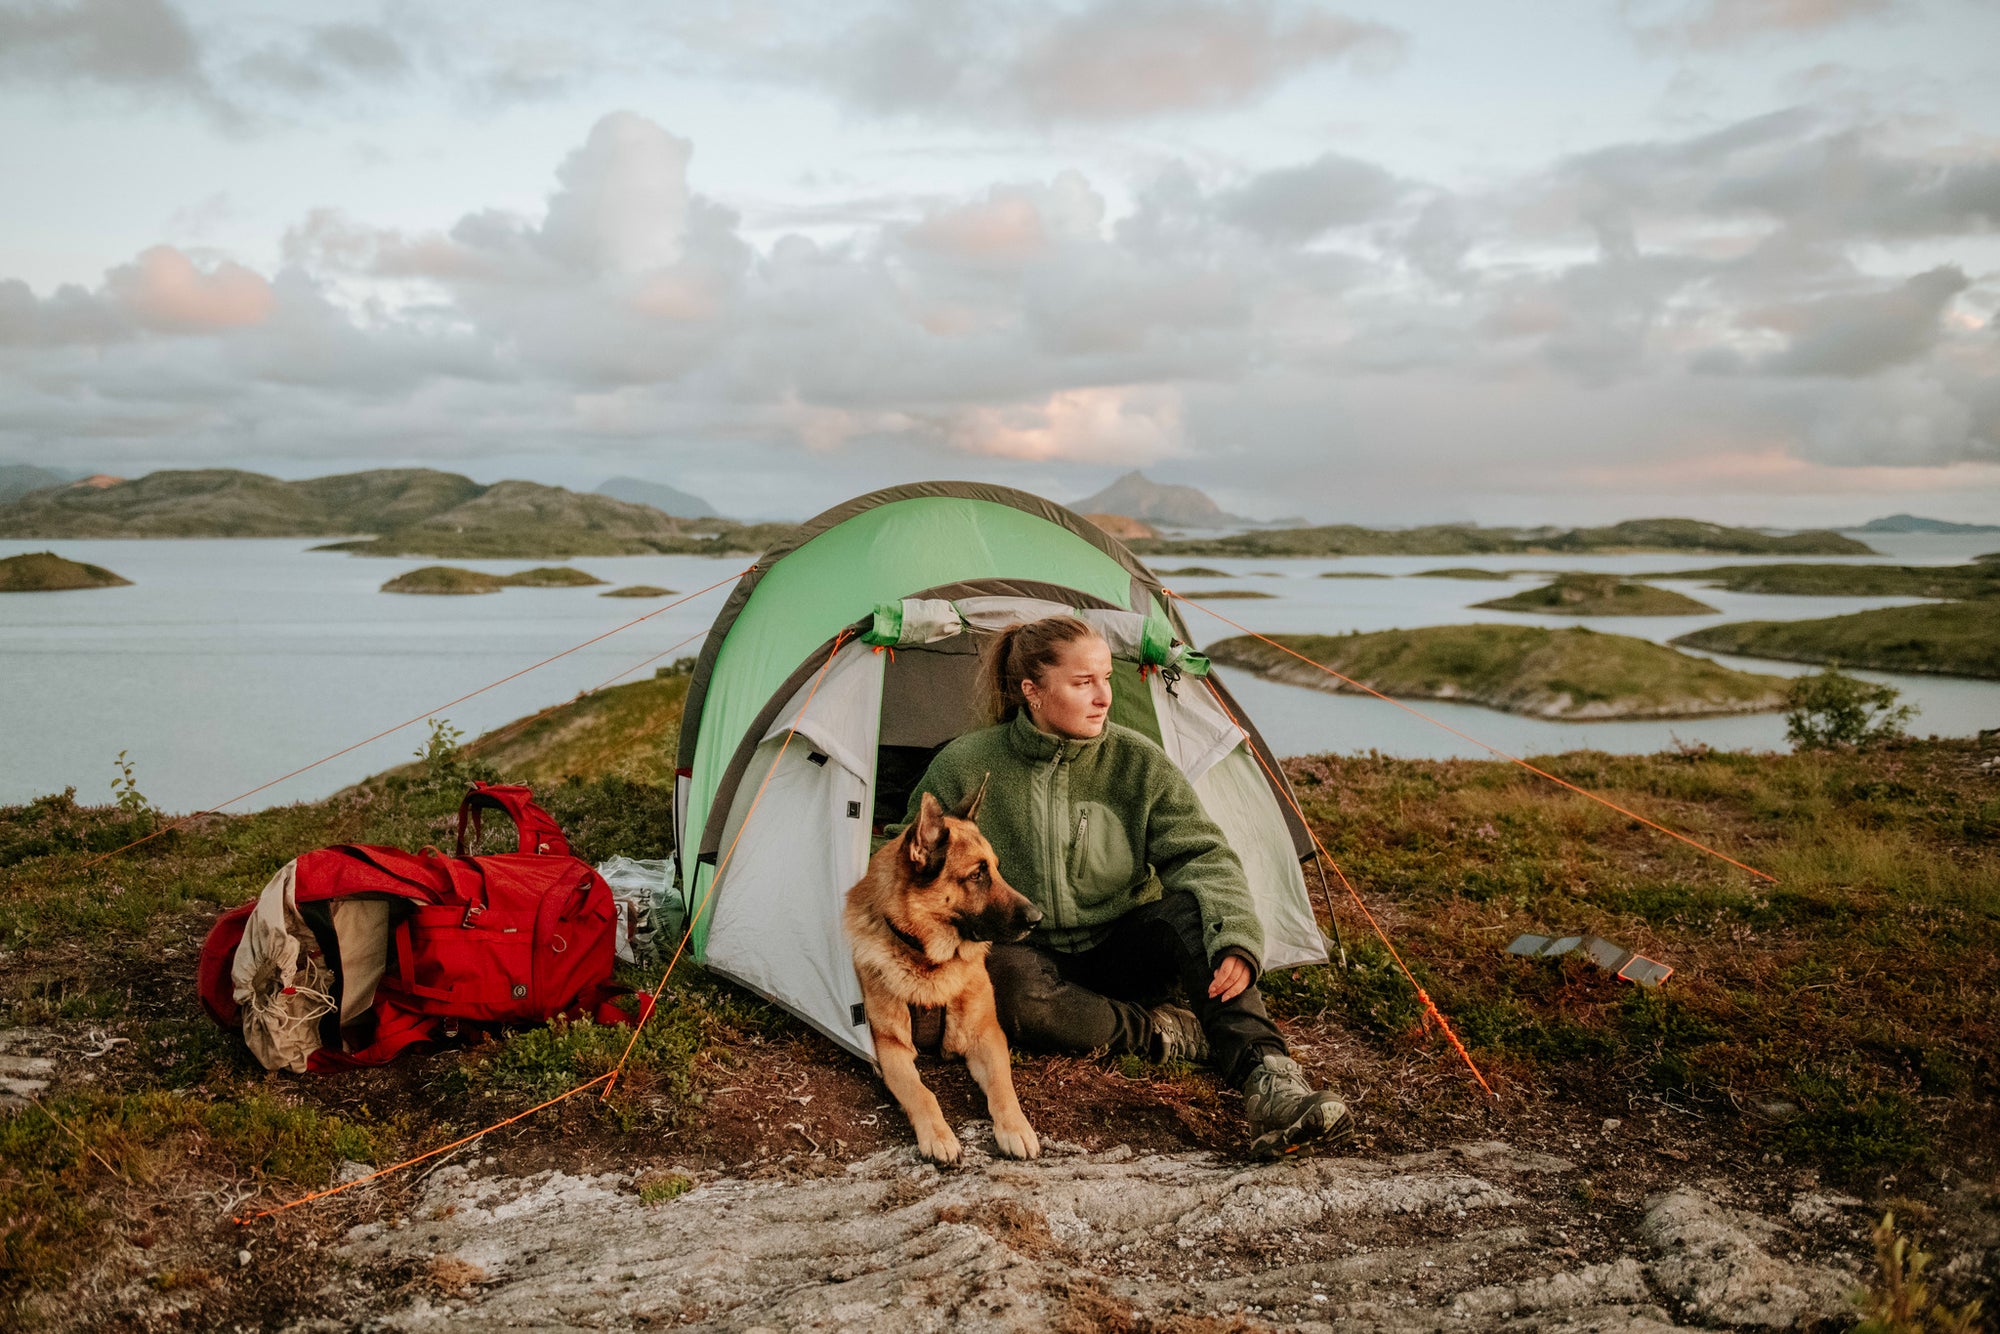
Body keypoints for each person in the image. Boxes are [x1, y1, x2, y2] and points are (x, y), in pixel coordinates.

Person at [895, 614, 1353, 1158]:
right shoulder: (965, 764)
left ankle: (1271, 1079)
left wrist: (1234, 938)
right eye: (1083, 682)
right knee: (1011, 990)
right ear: (1032, 691)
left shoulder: (1137, 761)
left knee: (1191, 912)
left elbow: (1202, 854)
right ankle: (1165, 1033)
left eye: (1107, 679)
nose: (1104, 697)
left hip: (1123, 947)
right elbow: (912, 864)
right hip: (1028, 953)